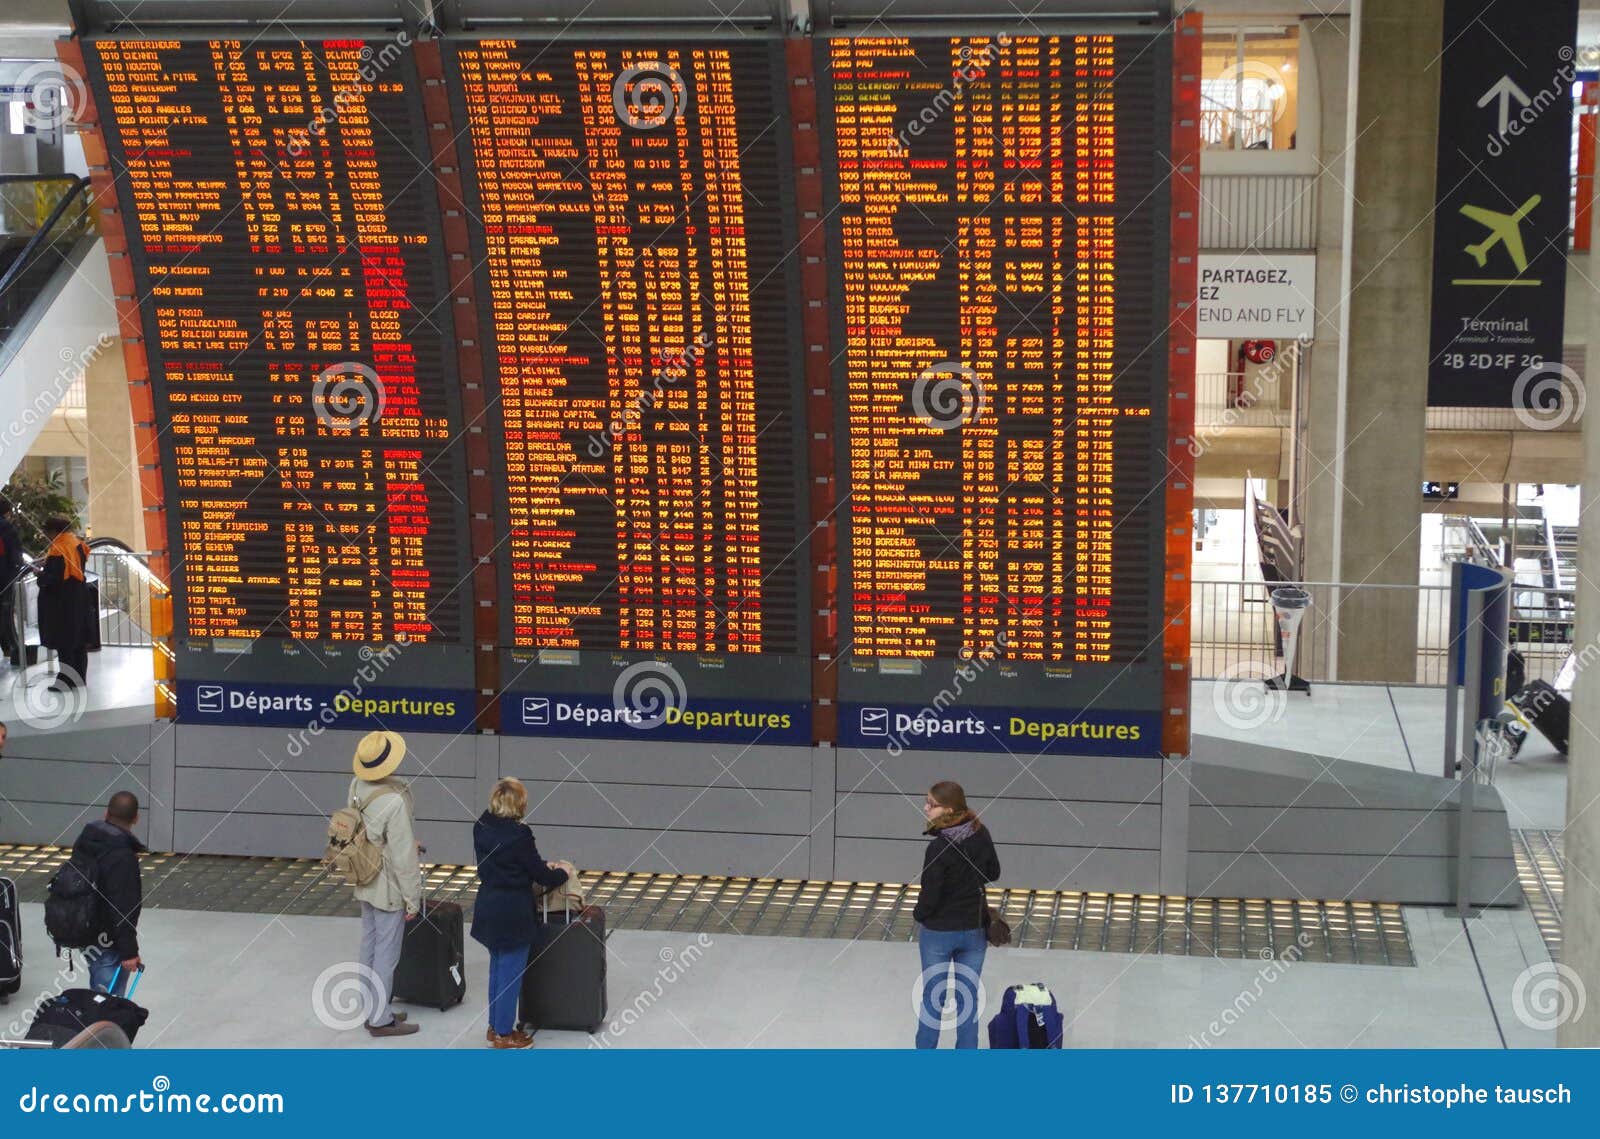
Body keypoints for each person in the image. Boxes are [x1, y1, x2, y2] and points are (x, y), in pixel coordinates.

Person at [471, 777, 569, 1049]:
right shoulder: (519, 835)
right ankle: (504, 1033)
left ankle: (494, 1027)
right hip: (513, 910)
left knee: (496, 969)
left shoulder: (481, 825)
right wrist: (562, 872)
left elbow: (510, 862)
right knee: (510, 974)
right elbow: (539, 874)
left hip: (488, 904)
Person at [912, 780, 1000, 1049]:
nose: (925, 807)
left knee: (933, 997)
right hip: (973, 930)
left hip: (939, 933)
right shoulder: (980, 832)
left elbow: (931, 896)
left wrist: (919, 914)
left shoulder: (938, 848)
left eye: (932, 804)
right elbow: (993, 873)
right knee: (968, 998)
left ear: (948, 809)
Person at [347, 729, 423, 1038]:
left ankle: (373, 1007)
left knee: (369, 942)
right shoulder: (394, 801)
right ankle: (380, 1019)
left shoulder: (356, 785)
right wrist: (413, 898)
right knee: (387, 952)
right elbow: (403, 856)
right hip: (388, 886)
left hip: (362, 874)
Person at [70, 790, 145, 996]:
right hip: (107, 940)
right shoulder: (122, 855)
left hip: (84, 927)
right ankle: (100, 1027)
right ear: (136, 818)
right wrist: (129, 951)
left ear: (106, 814)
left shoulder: (87, 839)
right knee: (108, 1004)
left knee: (100, 995)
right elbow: (122, 905)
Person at [36, 516, 90, 691]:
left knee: (64, 641)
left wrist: (39, 574)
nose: (45, 534)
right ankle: (79, 678)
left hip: (62, 601)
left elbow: (54, 579)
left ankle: (66, 681)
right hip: (79, 596)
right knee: (78, 640)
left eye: (47, 530)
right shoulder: (76, 543)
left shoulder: (58, 549)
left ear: (53, 531)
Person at [0, 498, 24, 668]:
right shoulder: (6, 527)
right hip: (5, 576)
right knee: (6, 611)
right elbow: (14, 552)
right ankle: (10, 647)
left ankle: (6, 646)